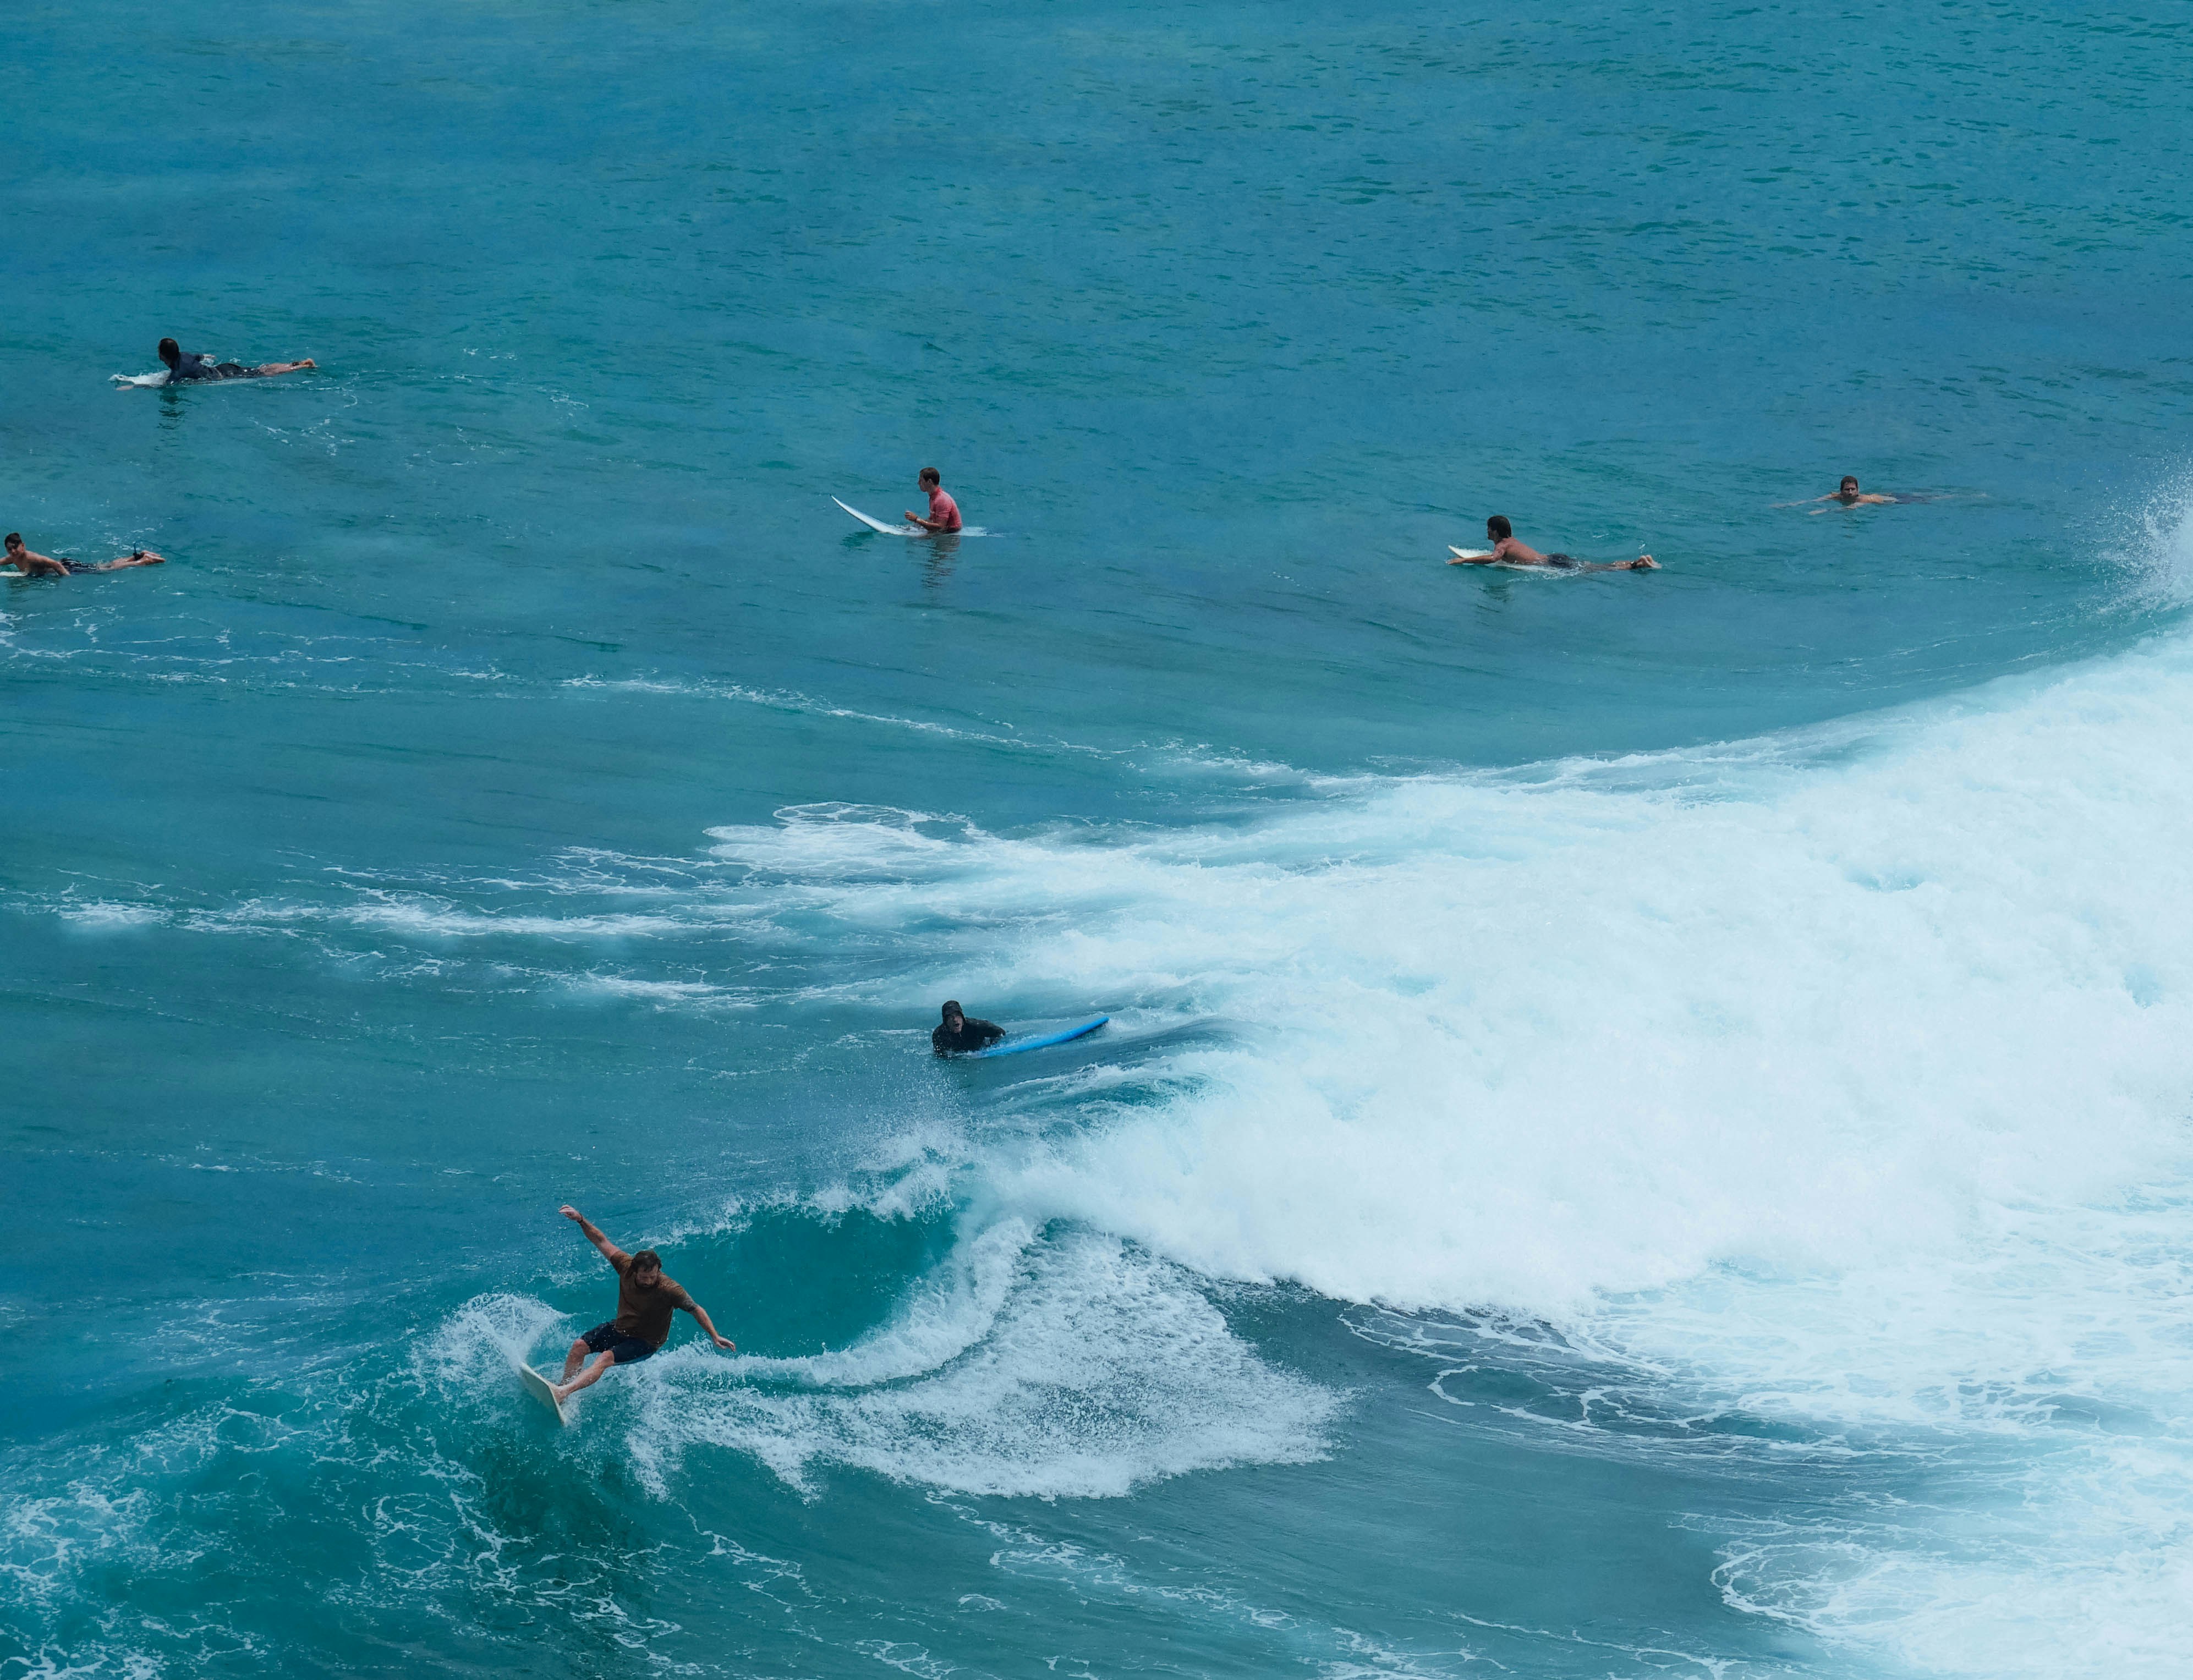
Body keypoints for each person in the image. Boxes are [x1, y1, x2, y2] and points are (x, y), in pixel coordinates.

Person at [551, 1205, 734, 1403]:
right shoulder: (625, 1265)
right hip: (621, 1328)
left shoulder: (670, 1289)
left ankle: (564, 1392)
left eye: (653, 1276)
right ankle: (562, 1391)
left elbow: (696, 1309)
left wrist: (714, 1336)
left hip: (646, 1342)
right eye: (644, 1277)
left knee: (604, 1359)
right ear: (635, 1271)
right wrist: (581, 1220)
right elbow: (601, 1240)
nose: (649, 1281)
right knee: (579, 1347)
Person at [1448, 516, 1657, 570]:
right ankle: (1634, 564)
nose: (1487, 531)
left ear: (1495, 531)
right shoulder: (1512, 541)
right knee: (1594, 566)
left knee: (1595, 570)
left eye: (1488, 528)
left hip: (1549, 565)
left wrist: (1463, 561)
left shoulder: (1502, 545)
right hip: (1553, 557)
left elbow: (1494, 559)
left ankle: (1636, 565)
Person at [3, 532, 166, 577]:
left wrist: (66, 578)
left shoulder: (31, 557)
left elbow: (56, 564)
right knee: (105, 565)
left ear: (23, 546)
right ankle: (137, 556)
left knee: (106, 570)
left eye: (15, 548)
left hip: (67, 567)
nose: (12, 552)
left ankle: (144, 561)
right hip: (68, 565)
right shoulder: (13, 558)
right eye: (9, 549)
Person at [156, 337, 315, 382]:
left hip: (224, 376)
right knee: (260, 370)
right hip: (224, 368)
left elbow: (167, 386)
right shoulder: (184, 355)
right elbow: (198, 356)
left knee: (263, 374)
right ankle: (296, 364)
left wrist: (136, 387)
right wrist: (207, 357)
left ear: (164, 356)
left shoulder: (177, 371)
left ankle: (301, 367)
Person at [1794, 475, 1898, 513]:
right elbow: (1814, 500)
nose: (1850, 492)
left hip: (1895, 501)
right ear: (1841, 491)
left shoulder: (1862, 500)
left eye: (1853, 489)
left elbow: (1849, 508)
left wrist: (1823, 511)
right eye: (1847, 490)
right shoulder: (1837, 497)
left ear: (1858, 490)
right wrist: (1790, 505)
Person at [933, 1000, 1004, 1055]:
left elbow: (1001, 1033)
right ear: (946, 1021)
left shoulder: (977, 1026)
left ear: (962, 1017)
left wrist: (988, 1049)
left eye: (957, 1015)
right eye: (950, 1017)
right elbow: (940, 1055)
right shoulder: (939, 1035)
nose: (955, 1020)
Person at [905, 468, 962, 534]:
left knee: (917, 540)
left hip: (951, 534)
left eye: (921, 481)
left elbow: (941, 527)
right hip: (944, 531)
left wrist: (917, 519)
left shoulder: (942, 500)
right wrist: (917, 525)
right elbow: (934, 518)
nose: (918, 483)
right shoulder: (933, 497)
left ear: (929, 482)